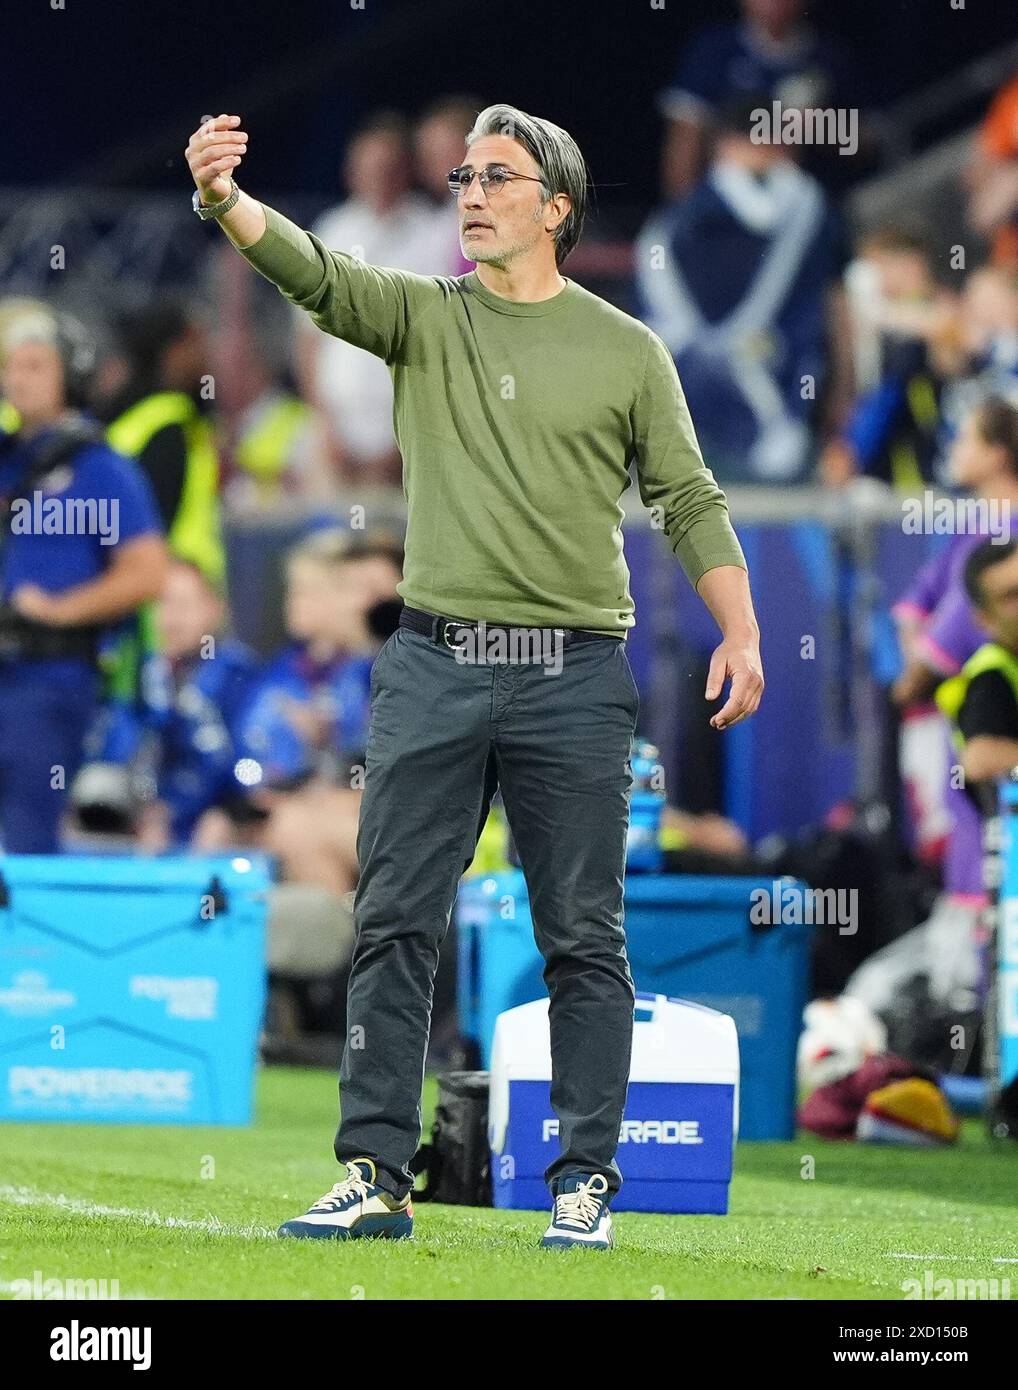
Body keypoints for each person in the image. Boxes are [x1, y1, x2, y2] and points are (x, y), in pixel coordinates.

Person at [185, 104, 763, 1250]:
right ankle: (374, 1174)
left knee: (583, 937)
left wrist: (740, 633)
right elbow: (319, 275)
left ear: (556, 204)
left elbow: (689, 498)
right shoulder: (421, 314)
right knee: (393, 918)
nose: (470, 192)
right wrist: (223, 202)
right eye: (462, 174)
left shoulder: (626, 349)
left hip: (573, 674)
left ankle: (583, 1182)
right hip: (436, 661)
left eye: (497, 176)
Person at [0, 307, 167, 852]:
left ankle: (28, 939)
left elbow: (146, 573)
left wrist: (56, 610)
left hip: (50, 673)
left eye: (35, 366)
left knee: (30, 828)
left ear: (71, 376)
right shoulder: (7, 460)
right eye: (10, 366)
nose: (17, 378)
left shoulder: (102, 468)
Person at [637, 97, 847, 483]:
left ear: (723, 145)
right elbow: (833, 305)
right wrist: (842, 389)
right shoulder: (813, 210)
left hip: (688, 401)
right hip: (784, 400)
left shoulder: (680, 222)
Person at [294, 112, 462, 487]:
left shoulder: (432, 235)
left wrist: (413, 430)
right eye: (368, 169)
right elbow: (308, 338)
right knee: (331, 538)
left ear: (405, 171)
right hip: (336, 429)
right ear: (351, 172)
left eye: (387, 169)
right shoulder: (330, 232)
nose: (378, 179)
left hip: (404, 426)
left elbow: (436, 338)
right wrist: (323, 423)